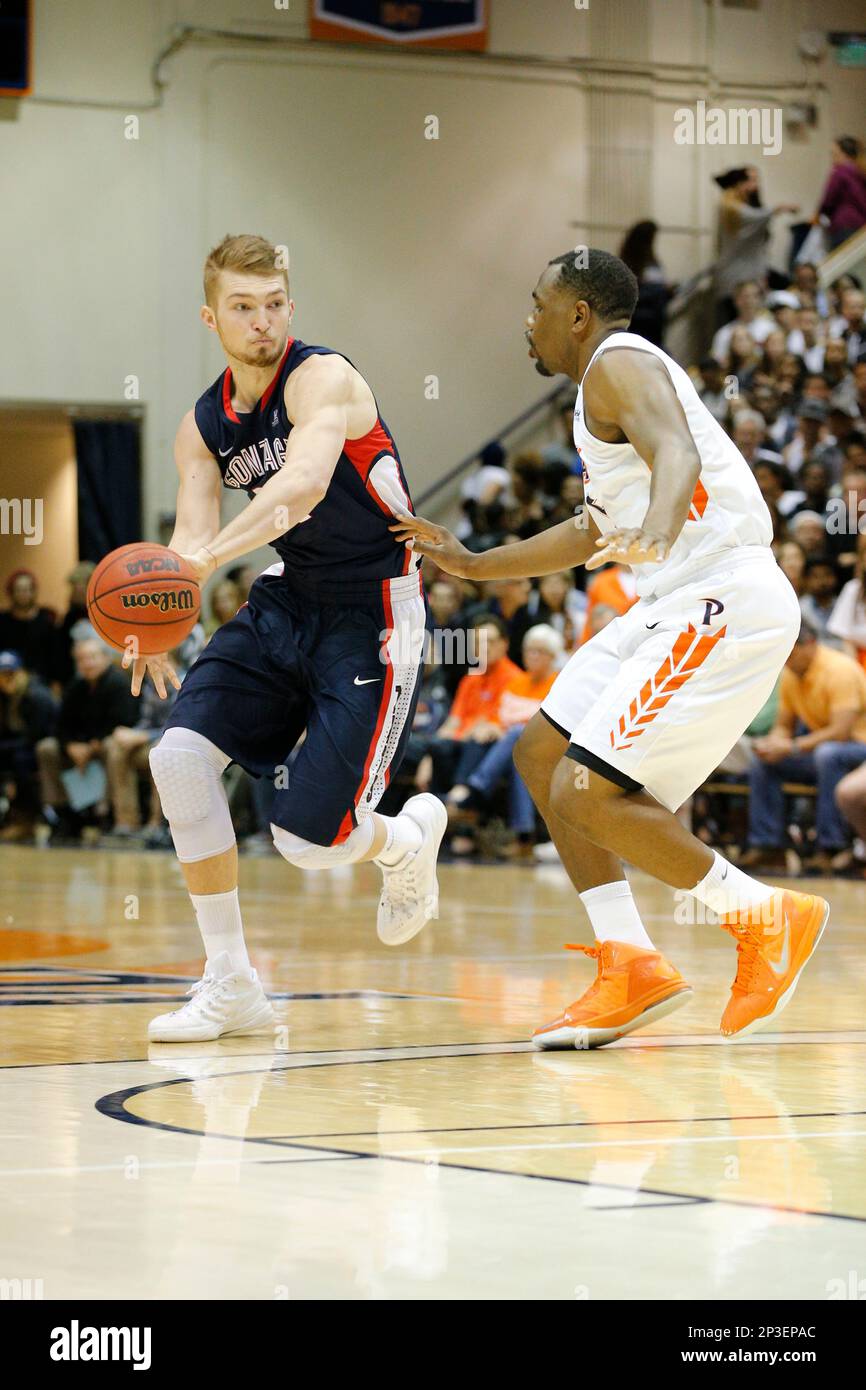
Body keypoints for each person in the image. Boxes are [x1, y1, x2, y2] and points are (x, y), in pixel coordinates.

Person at [393, 245, 826, 1049]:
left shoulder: (617, 362)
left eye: (537, 304)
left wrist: (660, 523)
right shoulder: (599, 397)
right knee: (538, 753)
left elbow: (678, 453)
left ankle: (767, 918)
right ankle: (630, 962)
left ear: (579, 315)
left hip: (722, 595)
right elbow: (594, 526)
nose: (528, 322)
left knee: (588, 792)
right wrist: (478, 563)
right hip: (673, 599)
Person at [128, 233, 444, 1042]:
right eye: (242, 307)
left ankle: (405, 839)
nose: (261, 322)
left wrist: (200, 563)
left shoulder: (324, 378)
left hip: (375, 612)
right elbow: (191, 533)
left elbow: (299, 490)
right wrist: (163, 614)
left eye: (274, 305)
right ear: (212, 317)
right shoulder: (203, 426)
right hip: (287, 599)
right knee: (178, 758)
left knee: (306, 843)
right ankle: (231, 984)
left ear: (290, 309)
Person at [742, 621, 866, 873]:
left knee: (828, 755)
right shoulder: (790, 674)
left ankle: (831, 847)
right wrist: (775, 742)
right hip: (823, 749)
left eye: (791, 651)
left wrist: (793, 747)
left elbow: (841, 733)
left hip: (857, 746)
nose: (787, 659)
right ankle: (768, 846)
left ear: (810, 644)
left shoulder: (839, 670)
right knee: (766, 761)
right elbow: (784, 724)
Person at [815, 137, 866, 251]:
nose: (833, 158)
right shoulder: (861, 173)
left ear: (842, 153)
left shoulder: (840, 172)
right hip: (861, 225)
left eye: (834, 153)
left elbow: (828, 199)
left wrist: (818, 215)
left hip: (845, 225)